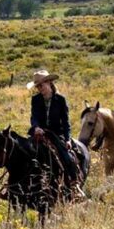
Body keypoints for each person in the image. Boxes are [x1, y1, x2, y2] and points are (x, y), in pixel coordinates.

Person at [26, 70, 84, 199]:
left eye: (41, 85)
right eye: (38, 86)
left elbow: (65, 121)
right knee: (24, 151)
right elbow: (34, 117)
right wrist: (36, 127)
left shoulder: (60, 100)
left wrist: (68, 139)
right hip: (39, 133)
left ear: (49, 83)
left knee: (65, 155)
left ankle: (74, 184)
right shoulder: (35, 100)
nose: (40, 88)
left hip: (56, 134)